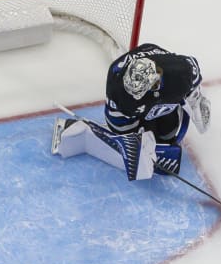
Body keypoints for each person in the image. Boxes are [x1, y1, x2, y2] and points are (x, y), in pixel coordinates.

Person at [51, 43, 209, 181]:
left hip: (160, 64)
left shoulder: (180, 71)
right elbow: (118, 125)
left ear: (156, 81)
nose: (134, 96)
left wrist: (196, 100)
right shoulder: (118, 89)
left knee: (168, 132)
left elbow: (193, 74)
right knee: (126, 130)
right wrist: (135, 141)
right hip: (134, 97)